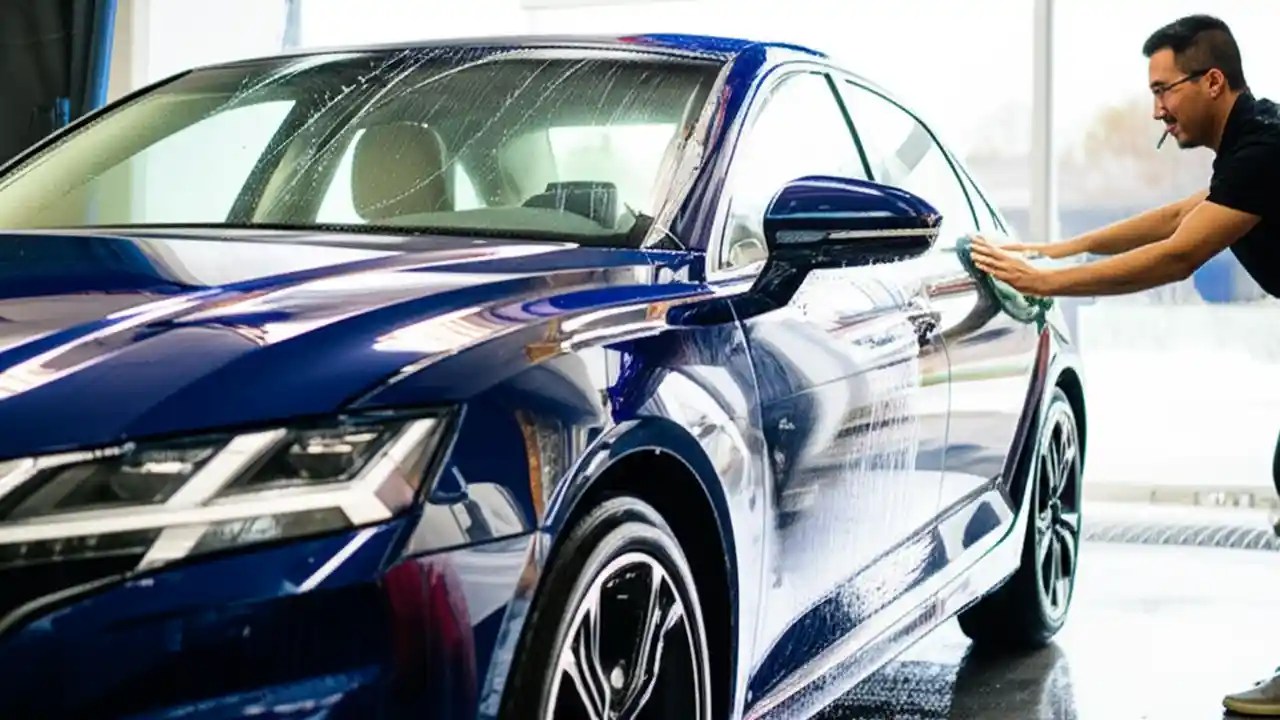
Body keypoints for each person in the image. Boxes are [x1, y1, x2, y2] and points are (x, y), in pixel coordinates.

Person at [969, 13, 1280, 717]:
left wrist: (1044, 283)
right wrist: (1054, 250)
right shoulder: (1249, 143)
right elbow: (1176, 217)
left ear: (1211, 80)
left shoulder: (1263, 149)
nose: (1156, 109)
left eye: (1163, 89)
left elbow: (1178, 255)